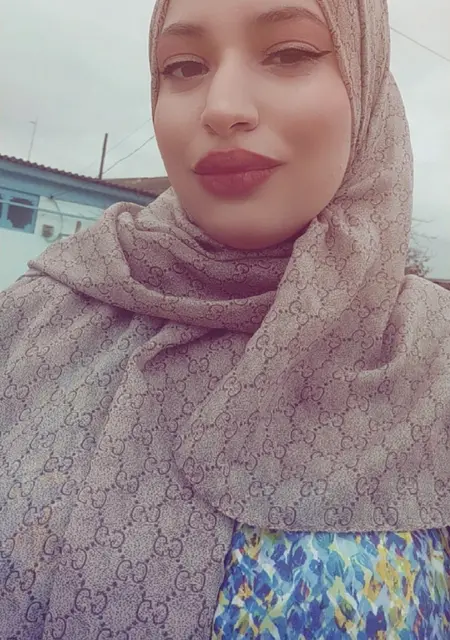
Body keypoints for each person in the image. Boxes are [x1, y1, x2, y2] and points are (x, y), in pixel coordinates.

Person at [0, 0, 449, 637]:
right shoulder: (33, 321)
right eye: (184, 66)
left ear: (366, 79)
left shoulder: (436, 359)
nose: (222, 107)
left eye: (289, 53)